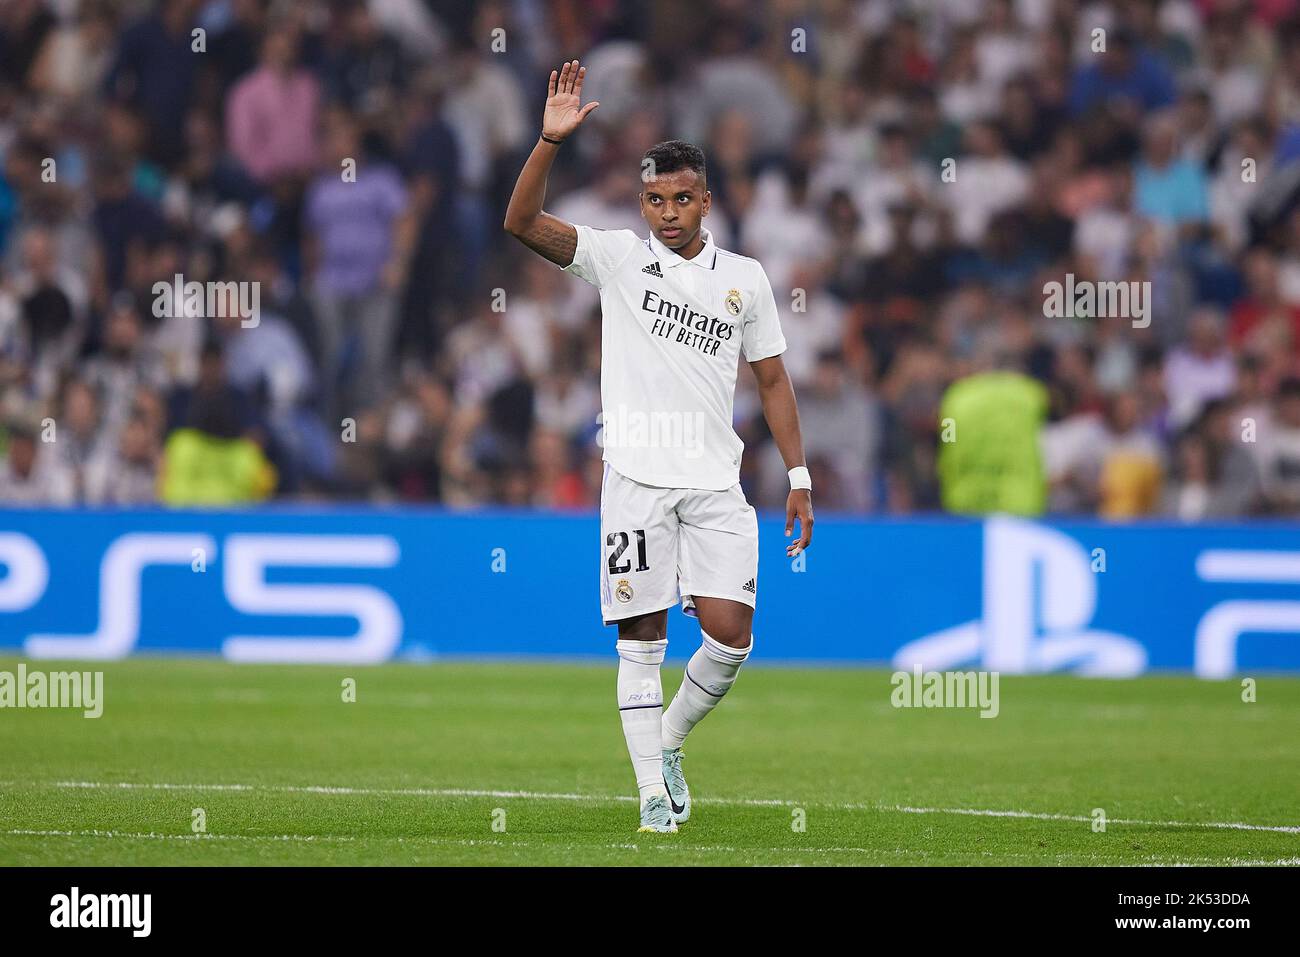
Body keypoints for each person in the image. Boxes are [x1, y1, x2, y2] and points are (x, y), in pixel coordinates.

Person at [504, 61, 813, 834]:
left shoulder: (744, 280)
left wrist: (800, 476)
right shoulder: (614, 258)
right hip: (637, 477)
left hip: (714, 481)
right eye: (653, 199)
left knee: (732, 635)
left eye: (680, 198)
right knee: (642, 640)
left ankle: (668, 741)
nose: (667, 212)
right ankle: (650, 796)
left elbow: (773, 382)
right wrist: (547, 141)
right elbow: (519, 221)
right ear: (639, 202)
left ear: (705, 201)